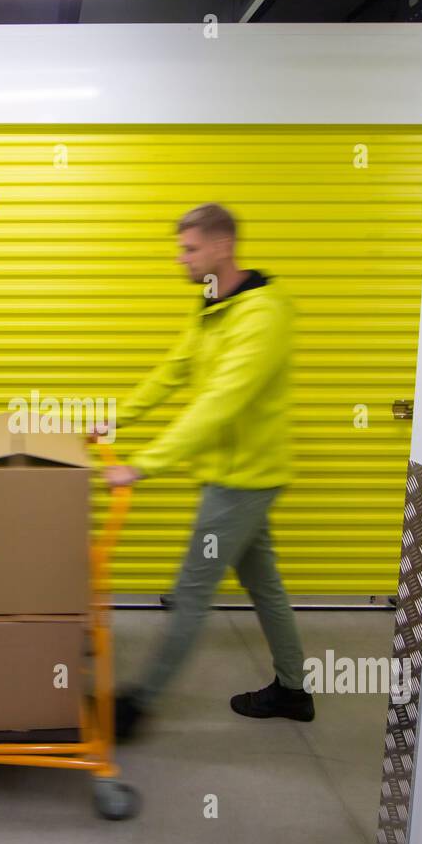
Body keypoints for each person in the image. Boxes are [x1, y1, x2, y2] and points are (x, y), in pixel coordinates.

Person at [94, 203, 313, 741]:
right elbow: (175, 369)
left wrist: (143, 466)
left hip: (242, 481)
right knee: (265, 586)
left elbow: (219, 403)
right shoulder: (213, 305)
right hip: (239, 474)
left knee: (190, 592)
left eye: (189, 249)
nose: (181, 259)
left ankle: (137, 706)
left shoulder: (262, 317)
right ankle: (293, 691)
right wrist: (116, 417)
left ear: (222, 247)